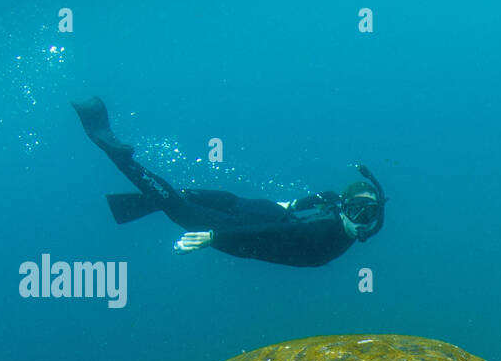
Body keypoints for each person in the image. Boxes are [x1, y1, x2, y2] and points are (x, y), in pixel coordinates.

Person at [70, 97, 384, 267]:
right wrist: (213, 237)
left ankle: (146, 194)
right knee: (180, 208)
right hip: (251, 232)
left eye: (370, 217)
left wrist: (292, 204)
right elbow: (280, 231)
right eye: (358, 212)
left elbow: (311, 207)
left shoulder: (338, 216)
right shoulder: (323, 229)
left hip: (264, 216)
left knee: (199, 199)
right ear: (344, 206)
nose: (363, 223)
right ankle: (120, 158)